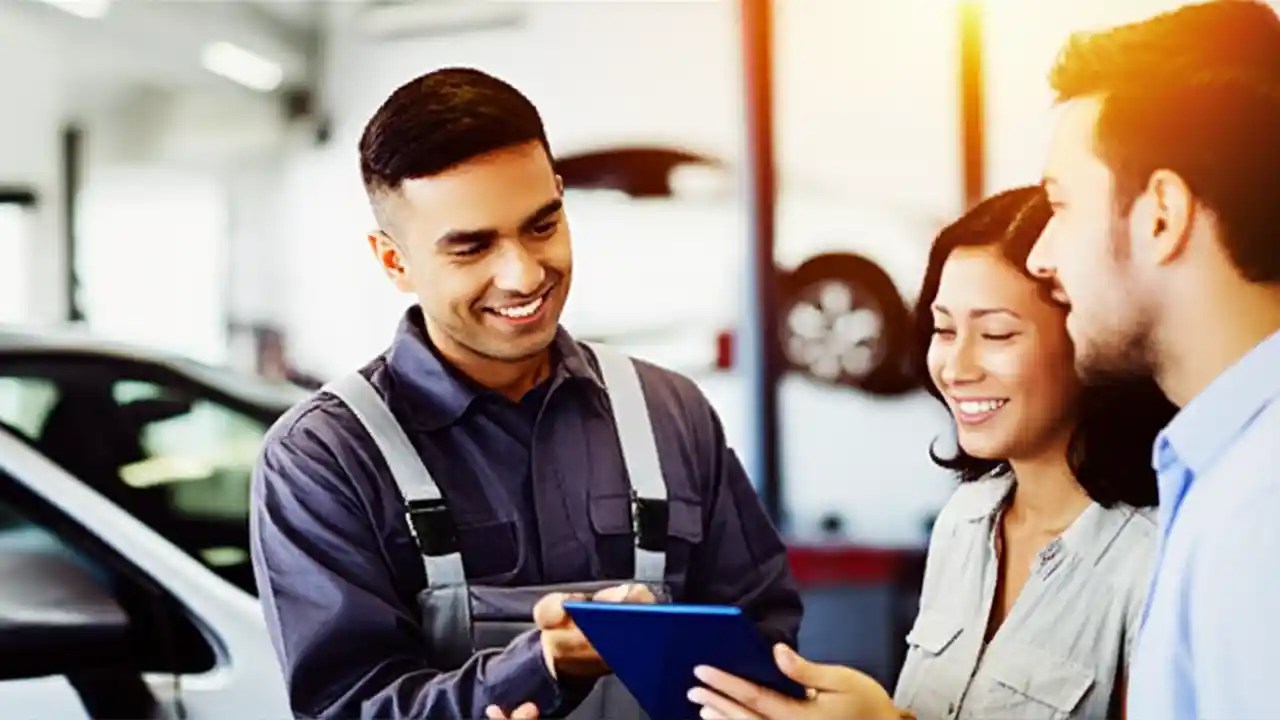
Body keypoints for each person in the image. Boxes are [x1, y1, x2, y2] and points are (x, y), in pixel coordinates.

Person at [248, 66, 802, 720]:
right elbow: (348, 706)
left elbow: (765, 652)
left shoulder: (671, 416)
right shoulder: (322, 459)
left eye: (542, 226)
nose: (523, 274)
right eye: (472, 248)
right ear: (393, 261)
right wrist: (536, 668)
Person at [687, 186, 1177, 720]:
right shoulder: (967, 520)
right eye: (944, 329)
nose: (957, 367)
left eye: (996, 333)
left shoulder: (1156, 558)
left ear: (1090, 337)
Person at [1025, 3, 1280, 718]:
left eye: (1061, 205)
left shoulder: (1262, 508)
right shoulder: (1223, 470)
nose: (1041, 258)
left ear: (1161, 214)